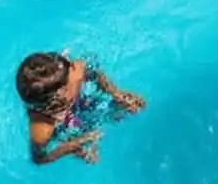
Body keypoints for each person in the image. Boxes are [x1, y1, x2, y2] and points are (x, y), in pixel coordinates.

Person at [15, 51, 145, 165]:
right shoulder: (42, 128)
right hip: (62, 126)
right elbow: (39, 158)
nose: (76, 66)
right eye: (71, 67)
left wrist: (116, 93)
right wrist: (70, 146)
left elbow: (93, 72)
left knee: (132, 108)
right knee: (90, 152)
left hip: (77, 101)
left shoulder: (74, 71)